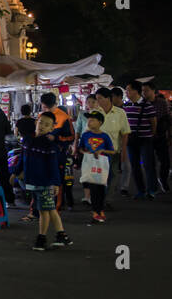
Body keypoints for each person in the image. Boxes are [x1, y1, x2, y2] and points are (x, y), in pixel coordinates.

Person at [25, 112, 72, 250]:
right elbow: (24, 160)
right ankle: (59, 236)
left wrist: (56, 183)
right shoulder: (28, 141)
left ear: (51, 129)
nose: (42, 126)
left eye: (47, 125)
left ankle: (43, 239)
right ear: (36, 123)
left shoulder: (50, 146)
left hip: (45, 183)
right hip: (34, 182)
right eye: (41, 123)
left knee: (46, 210)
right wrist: (16, 172)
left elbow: (53, 166)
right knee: (48, 210)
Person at [78, 111, 117, 224]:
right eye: (89, 120)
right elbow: (80, 148)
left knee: (102, 189)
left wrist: (102, 151)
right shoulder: (85, 135)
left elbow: (113, 151)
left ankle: (100, 210)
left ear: (100, 122)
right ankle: (95, 212)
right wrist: (86, 152)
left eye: (92, 120)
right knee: (93, 189)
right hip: (90, 165)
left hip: (102, 166)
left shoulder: (104, 136)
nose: (89, 122)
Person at [40, 92, 75, 211]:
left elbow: (71, 137)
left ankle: (57, 207)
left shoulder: (64, 117)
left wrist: (57, 138)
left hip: (58, 155)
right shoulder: (42, 116)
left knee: (57, 180)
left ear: (44, 104)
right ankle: (47, 206)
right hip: (44, 154)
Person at [124, 81, 158, 199]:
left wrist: (151, 134)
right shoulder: (126, 105)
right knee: (135, 166)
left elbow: (154, 122)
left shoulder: (147, 105)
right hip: (131, 140)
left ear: (136, 91)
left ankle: (151, 190)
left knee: (148, 165)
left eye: (128, 90)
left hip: (145, 139)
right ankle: (141, 190)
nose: (127, 92)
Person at [97, 88, 129, 209]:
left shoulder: (120, 113)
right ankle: (99, 200)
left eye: (100, 98)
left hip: (114, 151)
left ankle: (108, 200)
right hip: (98, 152)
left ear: (108, 98)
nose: (98, 101)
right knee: (100, 177)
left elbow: (125, 133)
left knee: (113, 175)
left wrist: (124, 151)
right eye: (97, 98)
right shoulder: (95, 112)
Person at [144, 82, 171, 193]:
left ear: (153, 91)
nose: (144, 93)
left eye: (146, 90)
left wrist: (170, 136)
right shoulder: (142, 104)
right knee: (150, 163)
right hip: (146, 136)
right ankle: (153, 184)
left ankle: (163, 180)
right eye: (142, 91)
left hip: (160, 136)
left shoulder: (162, 103)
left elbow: (168, 120)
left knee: (165, 161)